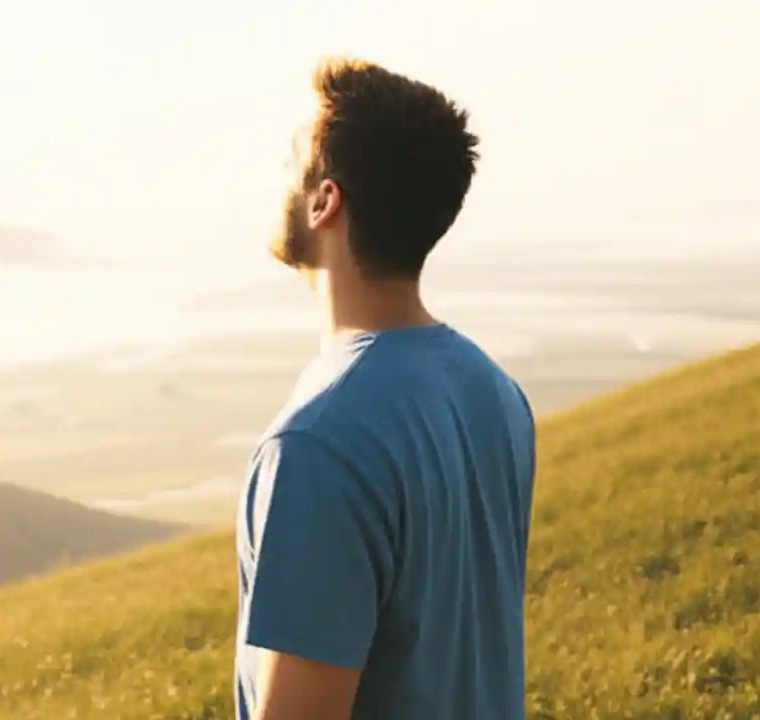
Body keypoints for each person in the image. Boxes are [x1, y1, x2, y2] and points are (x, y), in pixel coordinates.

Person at [234, 58, 536, 719]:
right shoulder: (496, 393)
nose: (277, 178)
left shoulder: (317, 444)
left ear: (325, 201)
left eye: (289, 162)